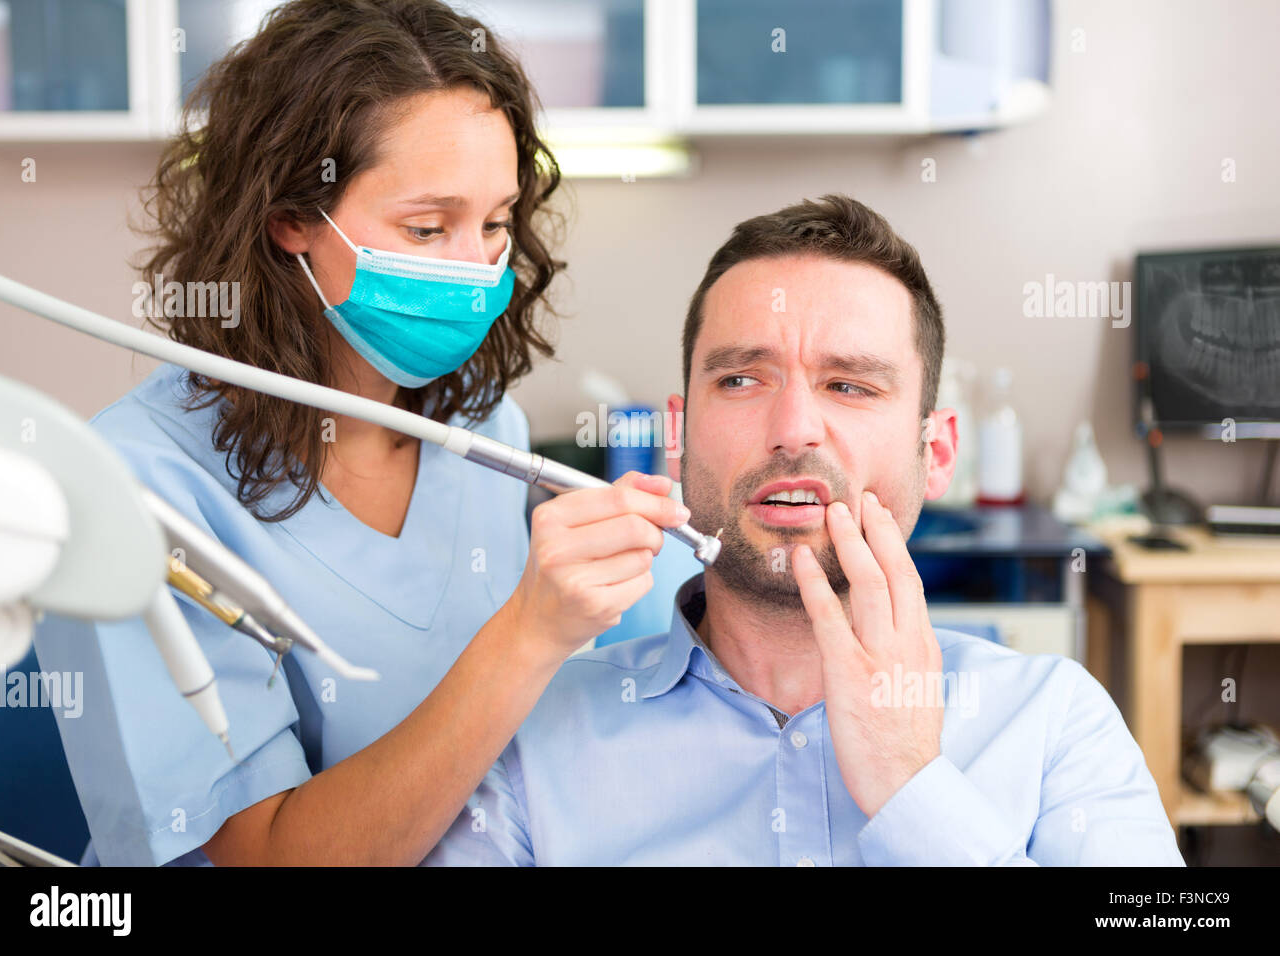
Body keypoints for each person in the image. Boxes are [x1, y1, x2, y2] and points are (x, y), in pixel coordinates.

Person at [32, 0, 685, 866]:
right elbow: (263, 857)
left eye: (494, 224)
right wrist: (528, 635)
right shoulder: (134, 488)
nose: (475, 271)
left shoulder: (483, 426)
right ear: (290, 217)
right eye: (426, 227)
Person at [423, 194, 1186, 866]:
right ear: (679, 439)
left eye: (850, 384)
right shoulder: (533, 737)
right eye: (742, 379)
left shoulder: (1056, 721)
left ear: (938, 452)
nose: (793, 431)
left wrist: (913, 792)